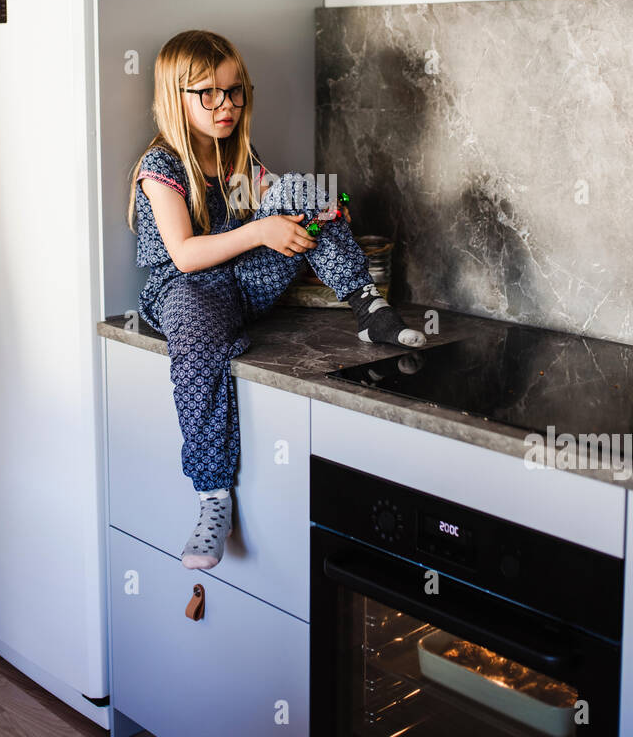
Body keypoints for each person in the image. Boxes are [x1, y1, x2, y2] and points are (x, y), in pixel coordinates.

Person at [126, 30, 427, 571]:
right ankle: (212, 496)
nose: (226, 106)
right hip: (187, 291)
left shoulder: (237, 153)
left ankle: (367, 306)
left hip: (244, 284)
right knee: (196, 334)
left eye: (235, 91)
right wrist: (263, 231)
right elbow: (187, 254)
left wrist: (320, 205)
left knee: (304, 191)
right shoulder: (162, 167)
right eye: (209, 94)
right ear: (178, 97)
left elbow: (279, 198)